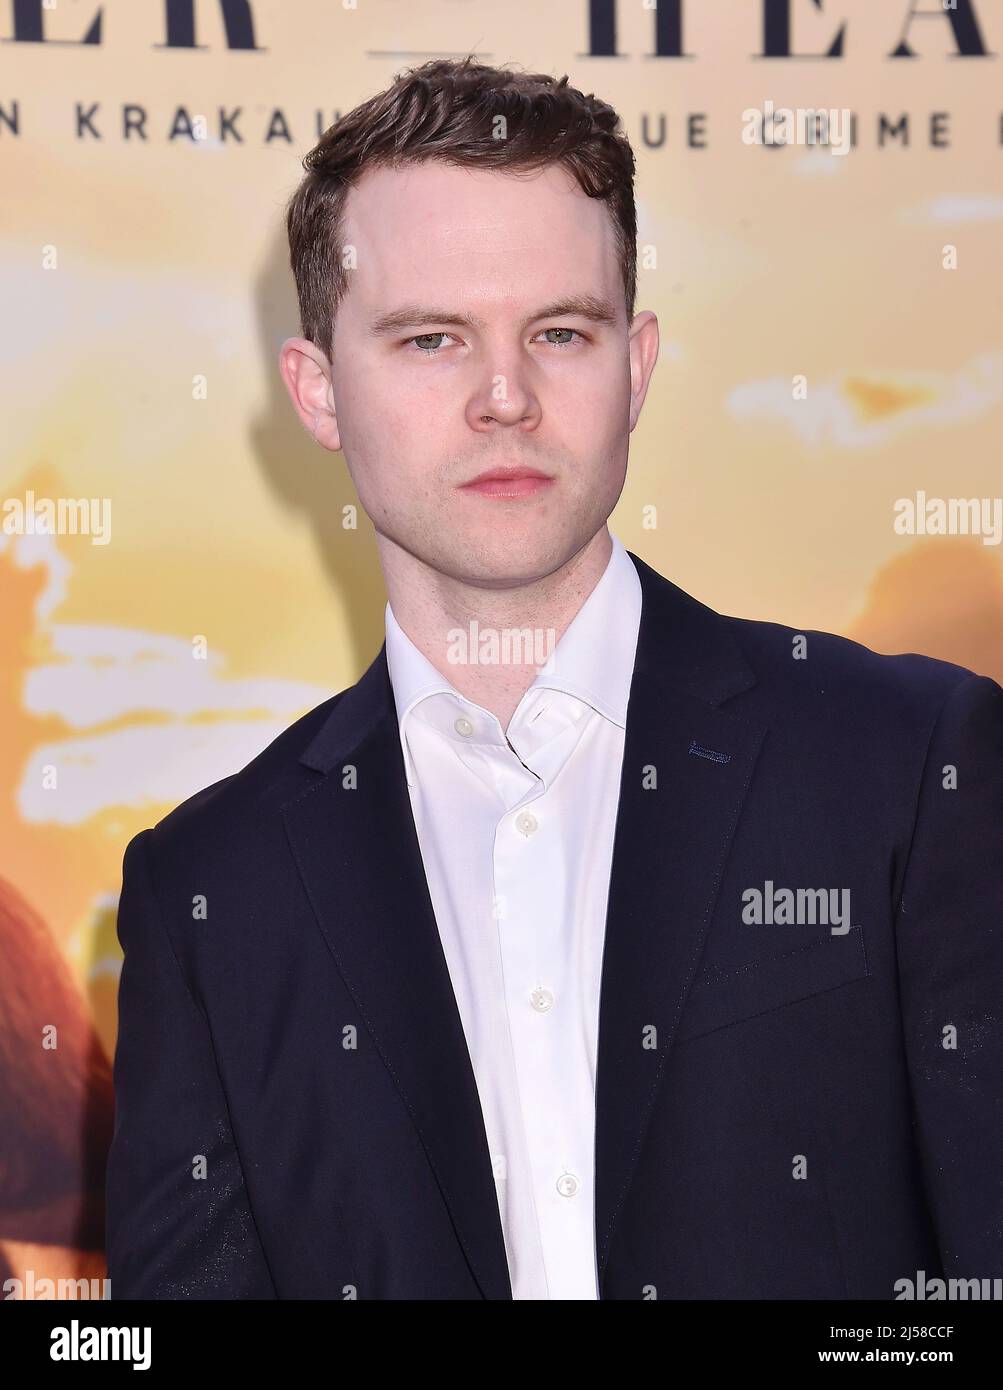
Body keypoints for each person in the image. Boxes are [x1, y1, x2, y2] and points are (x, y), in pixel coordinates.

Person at [106, 56, 1003, 1300]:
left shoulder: (909, 767)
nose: (505, 398)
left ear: (635, 366)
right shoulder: (210, 891)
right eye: (430, 339)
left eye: (559, 332)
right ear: (317, 391)